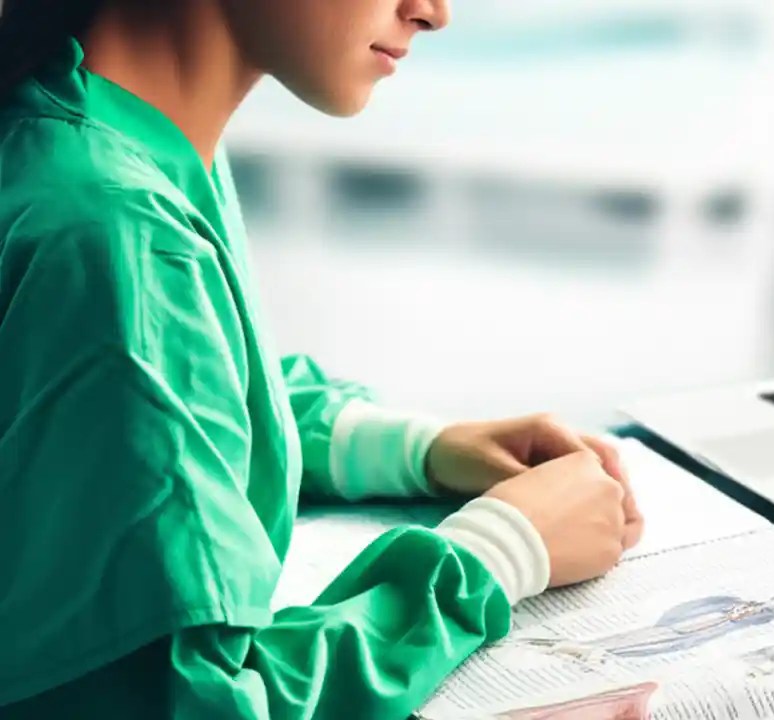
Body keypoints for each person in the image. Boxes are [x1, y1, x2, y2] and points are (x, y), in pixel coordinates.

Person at [0, 0, 645, 717]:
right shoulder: (114, 227)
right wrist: (502, 550)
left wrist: (416, 449)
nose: (433, 13)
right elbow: (188, 702)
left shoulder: (81, 128)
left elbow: (178, 392)